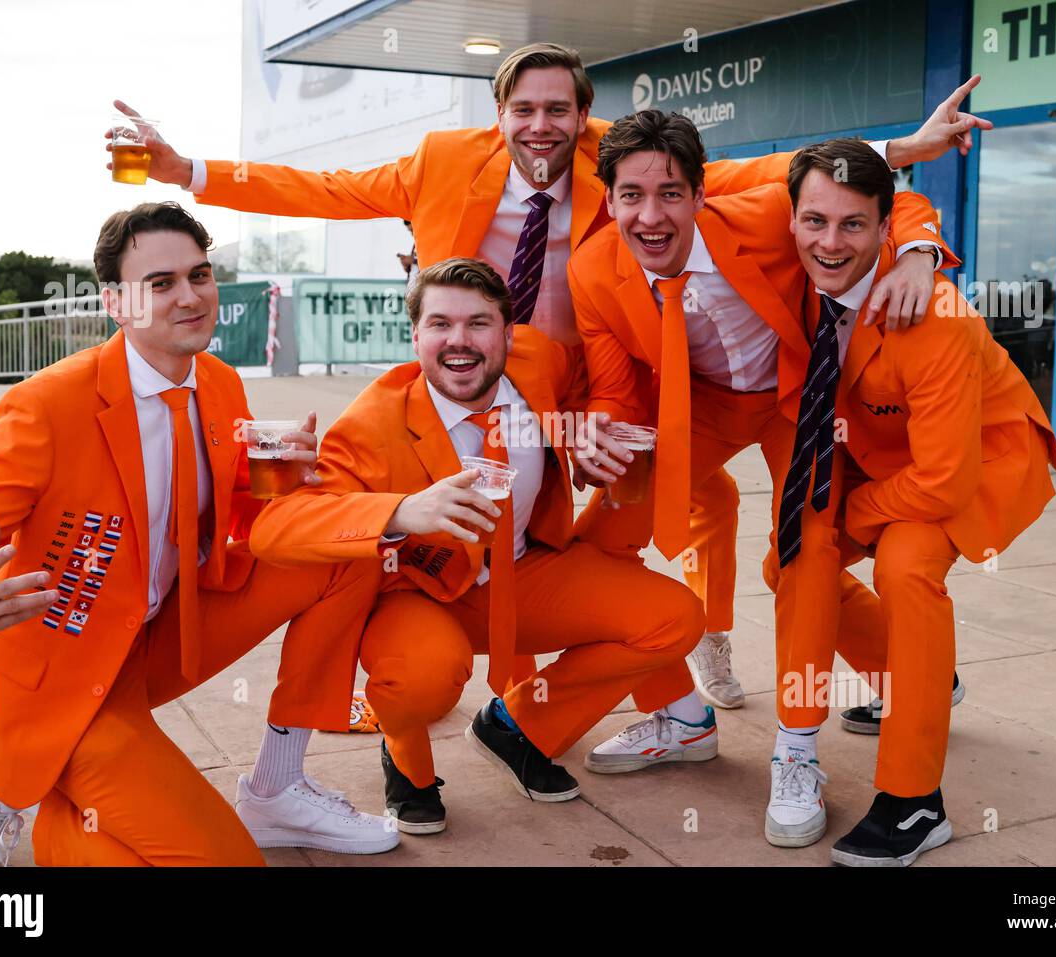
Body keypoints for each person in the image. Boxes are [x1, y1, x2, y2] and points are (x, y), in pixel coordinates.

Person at [107, 46, 992, 706]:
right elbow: (325, 189)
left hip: (619, 376)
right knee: (498, 532)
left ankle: (732, 664)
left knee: (721, 522)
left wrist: (904, 156)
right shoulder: (440, 163)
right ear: (499, 112)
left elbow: (768, 174)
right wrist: (187, 171)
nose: (541, 125)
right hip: (491, 373)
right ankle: (487, 682)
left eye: (558, 109)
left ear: (582, 116)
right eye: (524, 108)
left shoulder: (619, 162)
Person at [0, 202, 395, 866]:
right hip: (64, 664)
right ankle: (13, 800)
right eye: (160, 284)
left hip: (160, 634)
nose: (189, 297)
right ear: (117, 301)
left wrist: (284, 484)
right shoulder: (47, 406)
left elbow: (228, 520)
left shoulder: (219, 385)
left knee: (349, 548)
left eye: (200, 274)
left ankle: (277, 787)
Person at [249, 258, 708, 834]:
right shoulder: (372, 423)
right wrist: (397, 511)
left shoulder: (540, 361)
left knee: (674, 619)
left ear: (509, 334)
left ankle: (517, 727)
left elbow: (598, 387)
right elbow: (277, 529)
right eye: (439, 324)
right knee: (422, 678)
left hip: (524, 575)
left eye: (478, 324)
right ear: (414, 335)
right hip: (420, 593)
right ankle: (405, 757)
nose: (458, 342)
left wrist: (594, 425)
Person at [564, 110, 954, 775]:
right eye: (631, 195)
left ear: (701, 192)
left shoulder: (774, 213)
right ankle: (681, 716)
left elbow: (892, 200)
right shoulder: (592, 271)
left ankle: (799, 748)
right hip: (703, 405)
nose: (650, 216)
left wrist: (919, 255)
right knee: (592, 548)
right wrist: (594, 430)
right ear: (608, 200)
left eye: (670, 194)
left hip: (795, 394)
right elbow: (614, 392)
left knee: (803, 551)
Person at [769, 138, 1056, 865]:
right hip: (883, 451)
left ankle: (913, 802)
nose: (829, 242)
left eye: (853, 226)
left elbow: (943, 481)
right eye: (815, 221)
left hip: (979, 459)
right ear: (793, 219)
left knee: (904, 567)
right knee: (793, 564)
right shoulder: (792, 271)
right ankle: (920, 680)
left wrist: (852, 517)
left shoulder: (932, 313)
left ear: (883, 227)